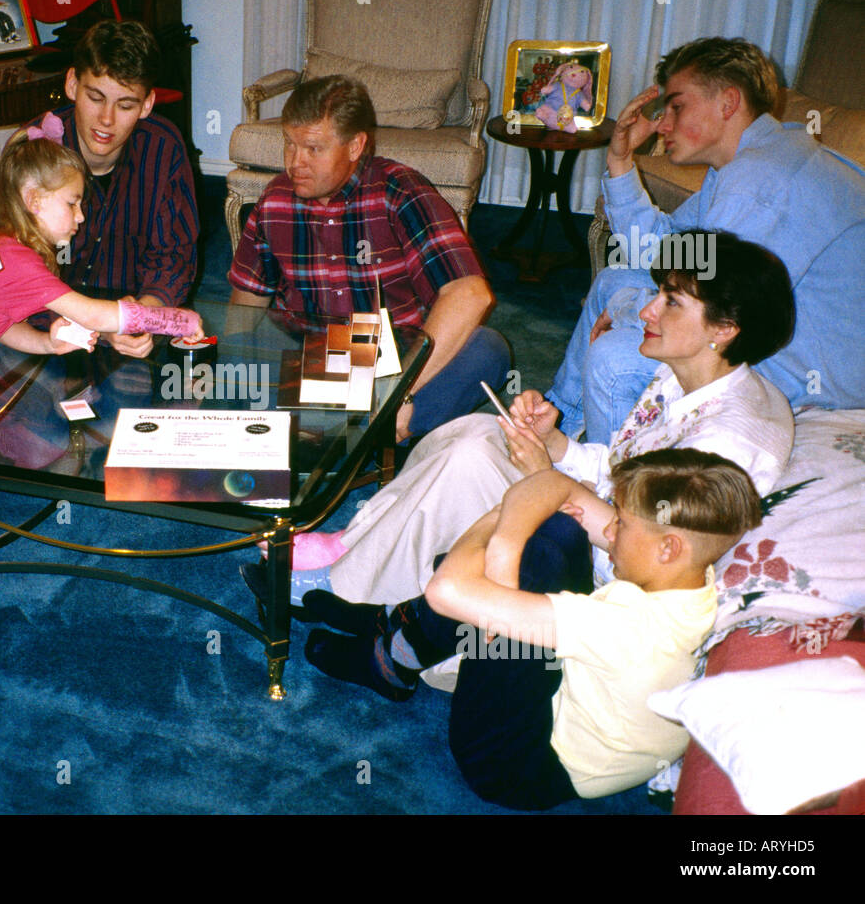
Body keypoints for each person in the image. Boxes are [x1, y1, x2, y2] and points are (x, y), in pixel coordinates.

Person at [257, 229, 795, 608]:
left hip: (609, 570)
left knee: (472, 460)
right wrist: (556, 445)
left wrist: (545, 477)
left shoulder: (726, 441)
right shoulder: (686, 377)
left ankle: (348, 587)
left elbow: (649, 552)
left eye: (671, 302)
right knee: (478, 429)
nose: (648, 311)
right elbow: (623, 468)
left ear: (724, 328)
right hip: (606, 518)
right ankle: (358, 541)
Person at [303, 450, 764, 810]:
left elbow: (449, 591)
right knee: (559, 531)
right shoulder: (689, 579)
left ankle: (391, 658)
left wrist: (498, 528)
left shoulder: (629, 628)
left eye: (622, 524)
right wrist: (508, 543)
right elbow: (553, 484)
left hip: (518, 764)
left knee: (524, 563)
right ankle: (397, 626)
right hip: (571, 696)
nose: (611, 528)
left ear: (668, 547)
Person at [0, 116, 204, 538]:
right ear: (33, 199)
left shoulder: (2, 243)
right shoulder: (20, 261)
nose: (81, 216)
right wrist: (178, 319)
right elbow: (97, 316)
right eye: (72, 203)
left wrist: (46, 341)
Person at [548, 36, 865, 445]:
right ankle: (558, 424)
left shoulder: (762, 184)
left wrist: (625, 309)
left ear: (728, 103)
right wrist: (621, 161)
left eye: (677, 107)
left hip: (812, 373)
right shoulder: (752, 162)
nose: (662, 124)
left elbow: (710, 308)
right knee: (614, 279)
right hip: (765, 327)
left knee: (615, 359)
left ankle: (604, 491)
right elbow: (664, 254)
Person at [228, 75, 510, 441]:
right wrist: (230, 372)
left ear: (355, 145)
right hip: (311, 355)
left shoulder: (402, 191)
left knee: (487, 351)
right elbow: (246, 299)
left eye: (313, 149)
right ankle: (367, 439)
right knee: (236, 355)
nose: (295, 162)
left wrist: (402, 389)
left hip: (397, 361)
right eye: (289, 143)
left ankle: (343, 434)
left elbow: (471, 294)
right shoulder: (275, 200)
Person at [32, 20, 199, 360]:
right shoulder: (34, 149)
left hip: (136, 330)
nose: (106, 119)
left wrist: (139, 317)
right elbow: (16, 268)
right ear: (72, 84)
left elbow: (174, 257)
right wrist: (96, 323)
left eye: (125, 105)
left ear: (147, 105)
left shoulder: (163, 148)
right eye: (96, 97)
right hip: (47, 331)